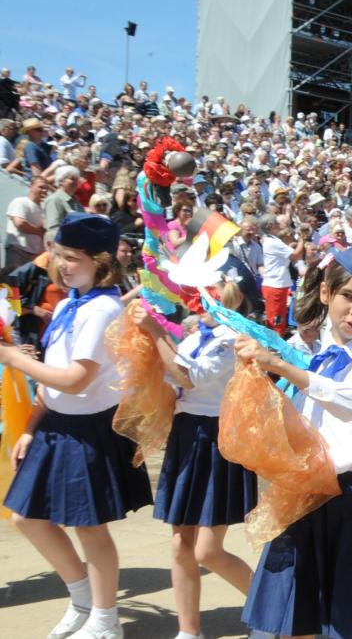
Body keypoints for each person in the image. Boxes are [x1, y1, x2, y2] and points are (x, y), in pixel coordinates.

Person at [235, 243, 352, 639]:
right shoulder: (318, 354)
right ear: (325, 293)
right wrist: (257, 373)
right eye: (347, 296)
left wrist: (281, 366)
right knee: (293, 620)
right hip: (308, 494)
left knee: (348, 623)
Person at [1, 213, 153, 639]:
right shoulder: (72, 303)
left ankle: (105, 620)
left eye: (73, 258)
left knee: (89, 527)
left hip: (89, 432)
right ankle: (83, 599)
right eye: (60, 255)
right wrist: (31, 426)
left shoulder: (101, 309)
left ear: (99, 263)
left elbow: (75, 379)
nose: (62, 265)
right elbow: (53, 379)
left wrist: (12, 359)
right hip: (56, 426)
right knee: (25, 516)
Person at [128, 272, 257, 639]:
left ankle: (273, 609)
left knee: (207, 551)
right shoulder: (194, 336)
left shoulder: (233, 338)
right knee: (181, 544)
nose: (198, 301)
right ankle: (189, 631)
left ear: (231, 297)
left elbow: (190, 377)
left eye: (207, 294)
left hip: (216, 440)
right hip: (187, 436)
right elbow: (172, 377)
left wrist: (156, 331)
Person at [257, 214, 304, 337]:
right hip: (275, 286)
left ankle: (279, 340)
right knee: (276, 320)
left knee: (280, 318)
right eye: (276, 223)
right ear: (271, 226)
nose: (279, 225)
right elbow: (296, 255)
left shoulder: (272, 240)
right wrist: (302, 240)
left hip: (278, 285)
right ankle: (275, 344)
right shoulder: (272, 242)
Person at [4, 175, 48, 277]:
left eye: (46, 188)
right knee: (12, 281)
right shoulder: (20, 202)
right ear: (31, 186)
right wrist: (39, 232)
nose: (44, 191)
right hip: (18, 251)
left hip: (34, 255)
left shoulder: (43, 209)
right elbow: (20, 223)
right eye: (41, 187)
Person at [42, 166, 86, 244]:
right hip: (64, 246)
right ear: (61, 181)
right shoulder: (55, 199)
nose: (76, 182)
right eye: (72, 179)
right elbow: (54, 230)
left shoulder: (76, 201)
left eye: (77, 179)